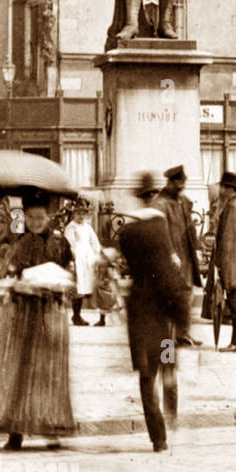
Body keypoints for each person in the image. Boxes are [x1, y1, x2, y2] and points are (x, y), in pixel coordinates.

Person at [0, 189, 75, 452]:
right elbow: (0, 274)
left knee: (49, 371)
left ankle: (51, 428)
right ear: (25, 216)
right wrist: (11, 269)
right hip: (22, 315)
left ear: (49, 216)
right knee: (18, 371)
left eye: (40, 216)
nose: (35, 221)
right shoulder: (18, 241)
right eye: (30, 216)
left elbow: (73, 283)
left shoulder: (60, 243)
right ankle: (15, 431)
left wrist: (62, 289)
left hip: (50, 313)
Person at [117, 173, 190, 452]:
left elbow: (127, 265)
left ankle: (158, 437)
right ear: (155, 196)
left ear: (139, 196)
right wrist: (184, 327)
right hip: (165, 320)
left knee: (146, 378)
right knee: (168, 366)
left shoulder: (127, 233)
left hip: (139, 317)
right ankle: (172, 411)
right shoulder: (163, 227)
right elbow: (174, 280)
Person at [153, 165, 202, 345]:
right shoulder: (161, 204)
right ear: (170, 183)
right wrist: (171, 253)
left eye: (183, 183)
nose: (182, 187)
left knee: (185, 297)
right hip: (172, 259)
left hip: (186, 258)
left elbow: (190, 229)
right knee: (172, 300)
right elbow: (160, 232)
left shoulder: (182, 201)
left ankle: (183, 334)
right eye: (179, 184)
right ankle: (169, 343)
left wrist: (195, 248)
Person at [212, 170, 236, 351]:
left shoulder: (234, 207)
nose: (219, 191)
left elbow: (230, 242)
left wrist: (225, 270)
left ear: (231, 189)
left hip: (234, 264)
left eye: (222, 187)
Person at [63, 199, 105, 326]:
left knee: (90, 285)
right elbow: (69, 244)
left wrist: (98, 254)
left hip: (89, 258)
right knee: (79, 286)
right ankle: (76, 315)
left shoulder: (88, 227)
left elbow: (94, 242)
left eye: (83, 213)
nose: (81, 216)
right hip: (78, 258)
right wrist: (74, 257)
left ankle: (98, 317)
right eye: (78, 213)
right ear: (74, 214)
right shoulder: (71, 227)